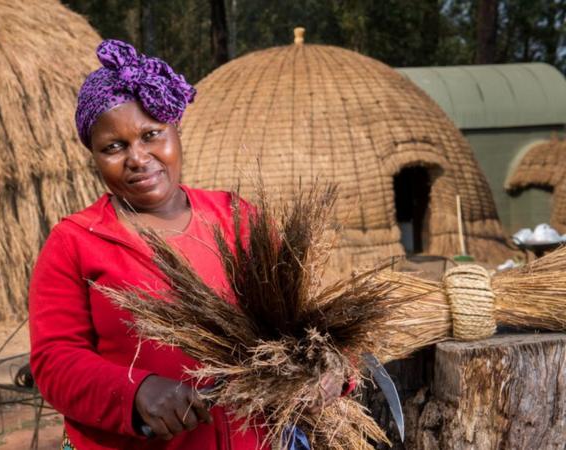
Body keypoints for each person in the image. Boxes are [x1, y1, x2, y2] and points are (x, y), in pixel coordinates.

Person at [28, 39, 347, 450]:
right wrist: (136, 392)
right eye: (114, 147)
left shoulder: (237, 219)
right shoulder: (75, 242)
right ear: (93, 155)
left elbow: (311, 318)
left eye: (151, 135)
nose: (138, 158)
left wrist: (331, 366)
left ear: (176, 132)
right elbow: (55, 360)